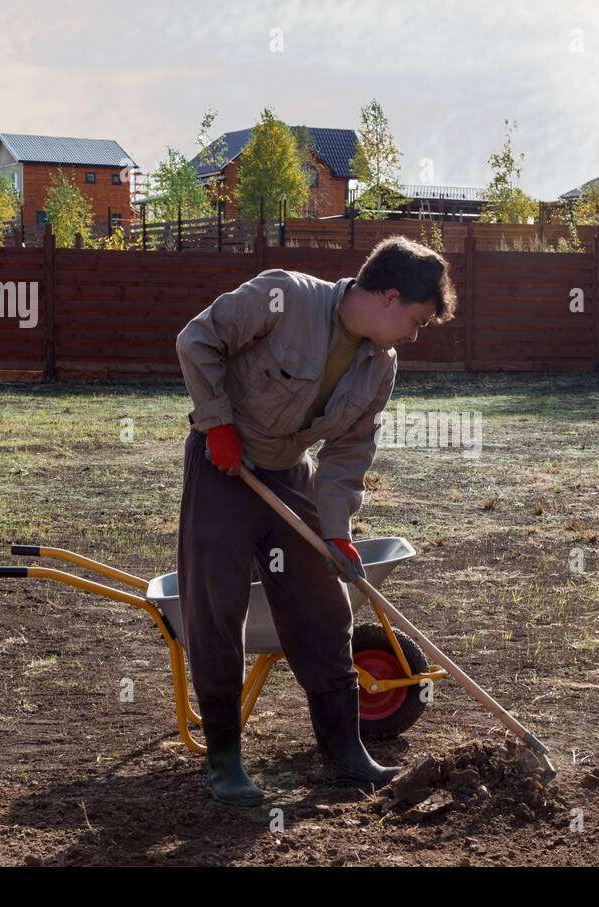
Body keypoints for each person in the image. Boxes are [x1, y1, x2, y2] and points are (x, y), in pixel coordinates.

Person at [175, 236, 457, 807]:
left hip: (286, 474)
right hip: (223, 465)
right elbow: (197, 339)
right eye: (418, 320)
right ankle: (225, 761)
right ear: (390, 297)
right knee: (216, 606)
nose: (415, 334)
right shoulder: (283, 296)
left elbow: (349, 453)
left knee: (325, 608)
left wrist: (335, 531)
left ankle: (346, 753)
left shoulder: (382, 365)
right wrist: (217, 424)